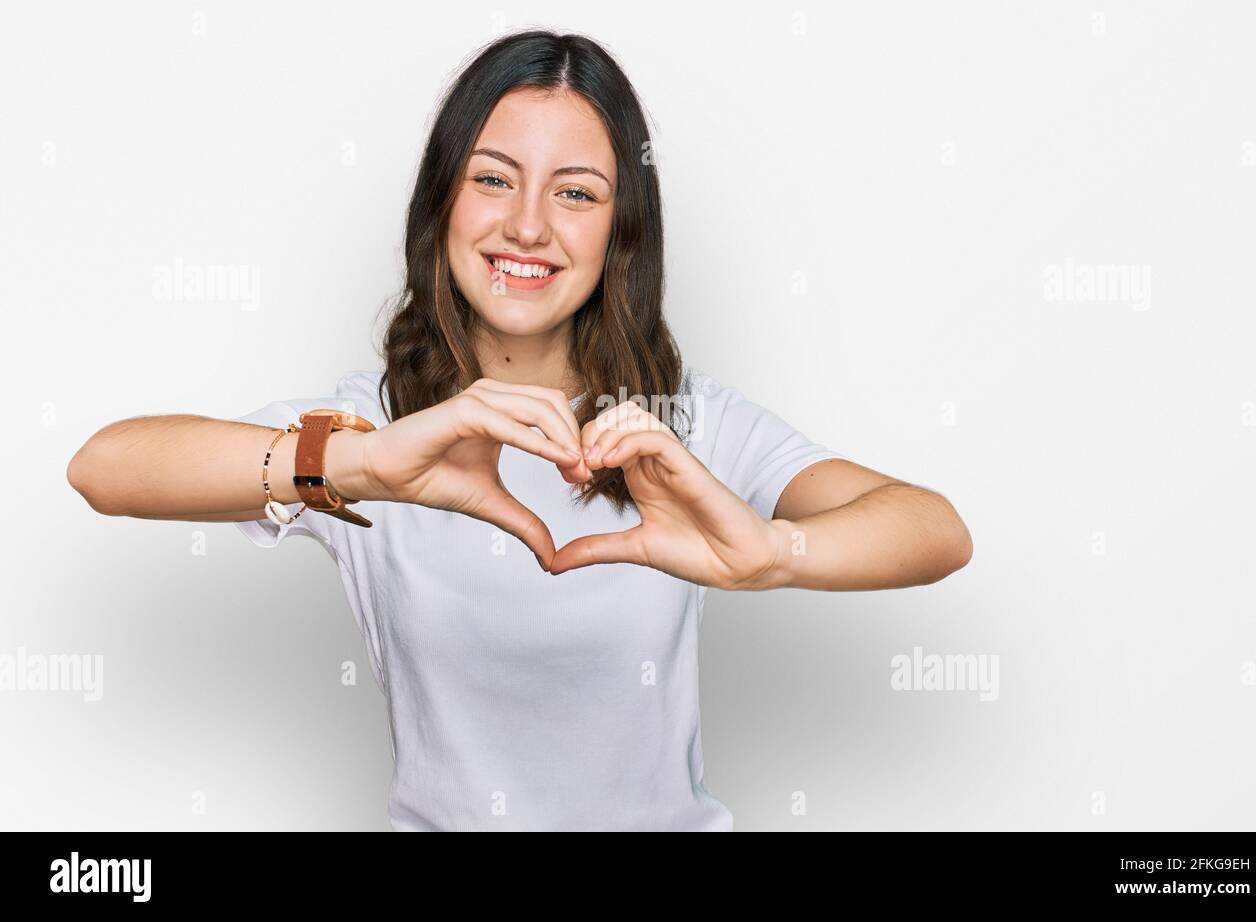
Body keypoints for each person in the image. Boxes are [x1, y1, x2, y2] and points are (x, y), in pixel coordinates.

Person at [66, 29, 973, 831]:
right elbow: (105, 468)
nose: (528, 225)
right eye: (493, 179)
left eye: (575, 193)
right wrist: (364, 464)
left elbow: (935, 529)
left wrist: (774, 553)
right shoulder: (376, 424)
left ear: (622, 229)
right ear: (444, 202)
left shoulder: (680, 424)